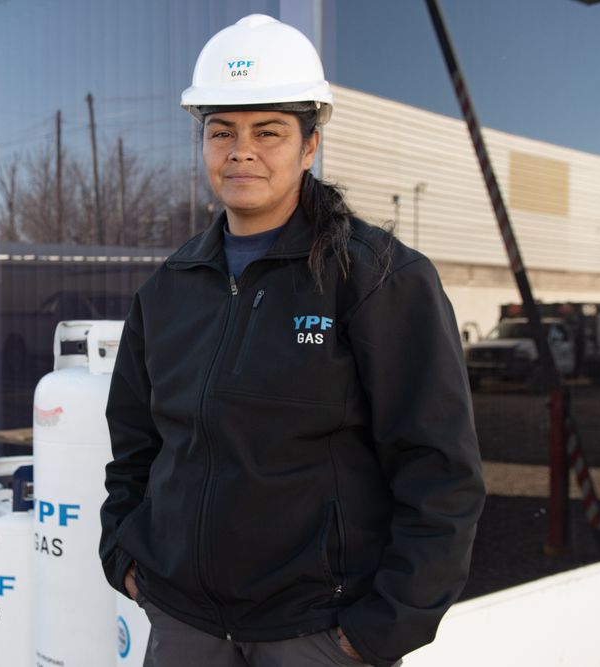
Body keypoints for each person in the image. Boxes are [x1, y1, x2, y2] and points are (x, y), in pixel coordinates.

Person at [99, 14, 485, 667]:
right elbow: (135, 444)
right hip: (185, 625)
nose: (241, 150)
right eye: (222, 131)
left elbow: (439, 471)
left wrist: (381, 628)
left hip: (315, 633)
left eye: (268, 131)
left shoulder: (376, 278)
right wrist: (126, 555)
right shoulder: (170, 287)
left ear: (310, 146)